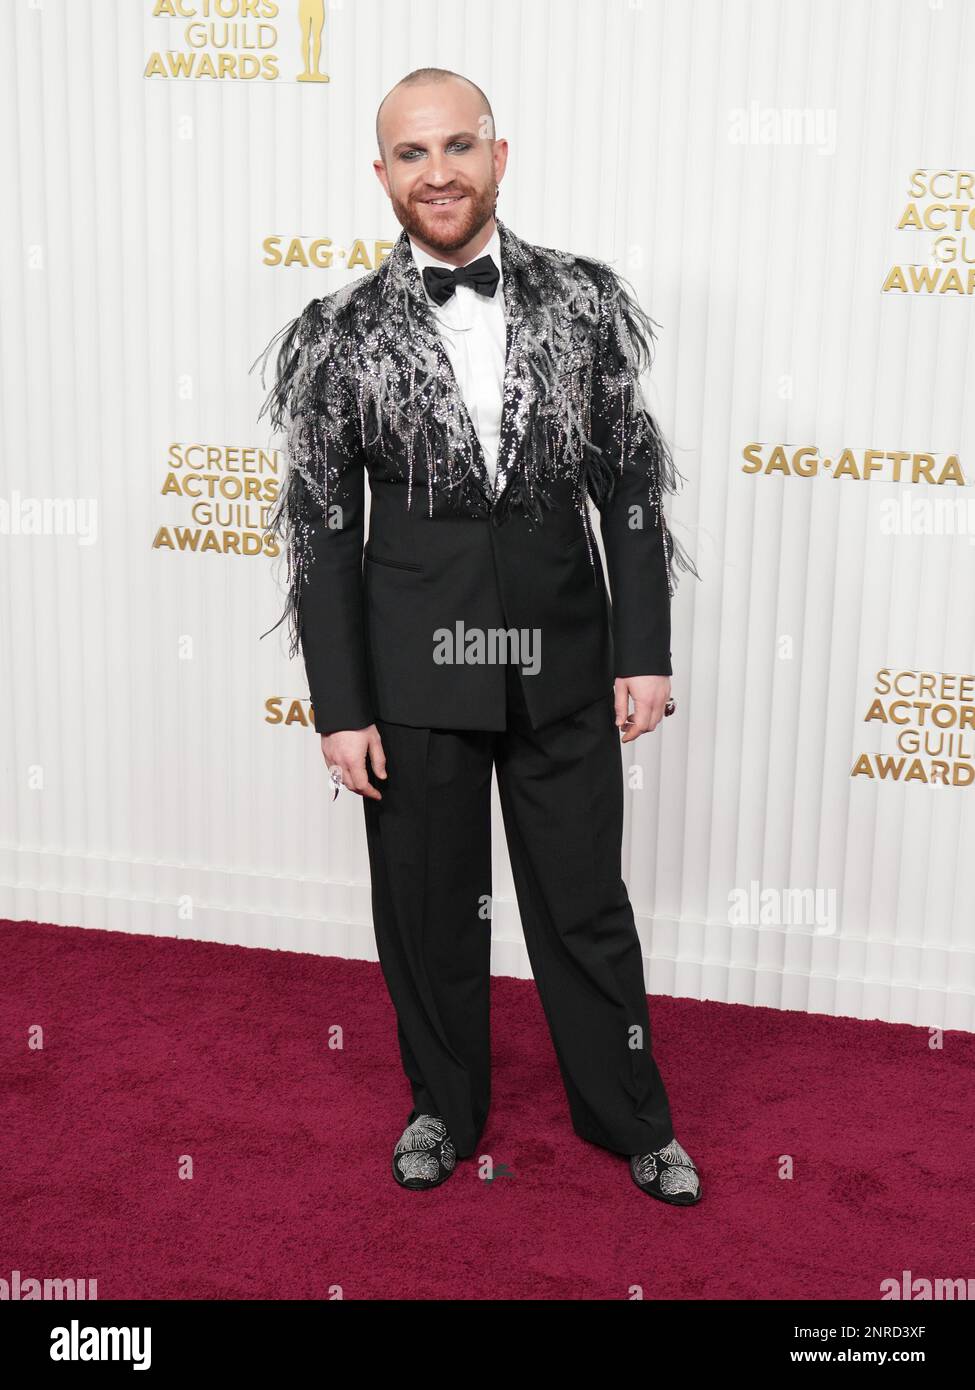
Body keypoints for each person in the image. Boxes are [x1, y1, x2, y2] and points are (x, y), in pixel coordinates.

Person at [255, 67, 702, 1206]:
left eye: (459, 145)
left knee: (585, 905)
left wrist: (642, 648)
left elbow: (633, 490)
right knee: (428, 913)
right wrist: (341, 705)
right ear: (383, 175)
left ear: (501, 155)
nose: (438, 171)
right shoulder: (338, 335)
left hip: (561, 664)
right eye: (413, 153)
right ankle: (440, 1110)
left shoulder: (583, 304)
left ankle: (631, 1116)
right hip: (412, 680)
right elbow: (318, 533)